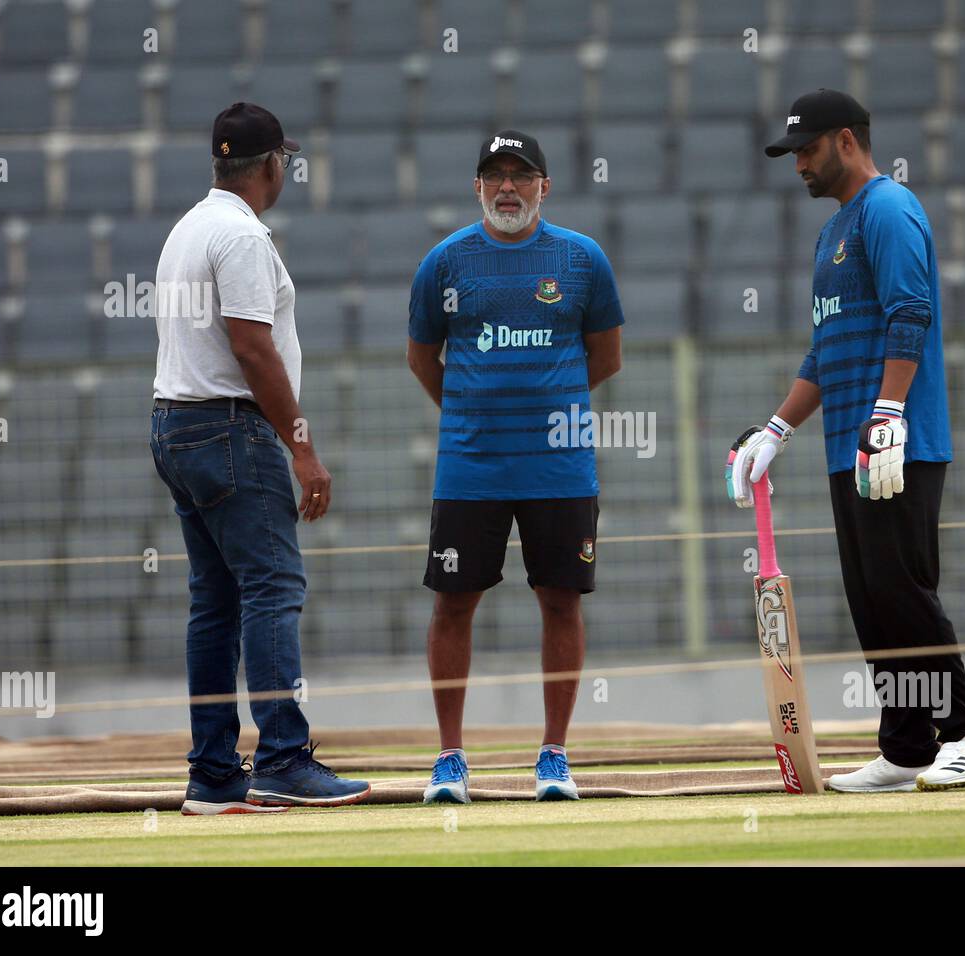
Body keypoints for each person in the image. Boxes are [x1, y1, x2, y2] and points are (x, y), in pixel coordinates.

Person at [728, 91, 965, 792]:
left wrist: (888, 412)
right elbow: (828, 347)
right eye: (792, 153)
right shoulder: (831, 232)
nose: (798, 164)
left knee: (902, 590)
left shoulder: (887, 210)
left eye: (808, 149)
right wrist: (778, 427)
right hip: (850, 447)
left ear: (846, 141)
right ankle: (909, 746)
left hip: (897, 441)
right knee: (871, 596)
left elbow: (910, 314)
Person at [150, 102, 370, 814]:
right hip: (230, 429)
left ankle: (214, 770)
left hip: (176, 423)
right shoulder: (242, 237)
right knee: (273, 588)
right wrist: (302, 448)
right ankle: (281, 757)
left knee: (214, 604)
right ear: (273, 165)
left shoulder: (187, 228)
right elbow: (251, 347)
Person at [406, 130, 625, 803]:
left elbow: (607, 356)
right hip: (470, 466)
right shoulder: (444, 264)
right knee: (453, 603)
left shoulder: (581, 259)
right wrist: (477, 412)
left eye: (521, 175)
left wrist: (544, 410)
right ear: (476, 187)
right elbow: (422, 358)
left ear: (544, 186)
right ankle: (449, 760)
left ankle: (554, 757)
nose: (508, 187)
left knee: (560, 600)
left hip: (558, 467)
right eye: (495, 176)